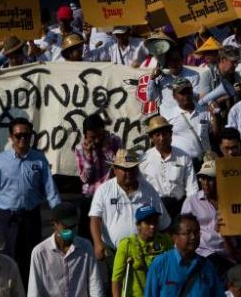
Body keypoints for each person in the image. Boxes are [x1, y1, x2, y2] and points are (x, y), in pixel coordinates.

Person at [0, 117, 61, 285]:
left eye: (26, 135)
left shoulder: (39, 159)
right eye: (18, 135)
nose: (23, 139)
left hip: (30, 218)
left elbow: (51, 191)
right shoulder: (0, 161)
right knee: (6, 260)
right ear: (11, 136)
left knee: (32, 260)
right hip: (7, 219)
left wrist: (60, 217)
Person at [89, 149, 170, 283]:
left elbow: (163, 222)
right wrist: (98, 243)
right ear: (114, 169)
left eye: (132, 168)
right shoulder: (104, 190)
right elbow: (95, 219)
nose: (129, 173)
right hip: (113, 251)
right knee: (115, 285)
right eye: (124, 169)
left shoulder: (148, 190)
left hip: (144, 251)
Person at [27, 202, 102, 296]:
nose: (71, 230)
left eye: (74, 226)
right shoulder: (40, 252)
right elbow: (34, 290)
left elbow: (95, 283)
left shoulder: (86, 247)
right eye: (67, 227)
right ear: (54, 225)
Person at [144, 214, 223, 297]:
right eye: (188, 233)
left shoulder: (207, 266)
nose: (193, 237)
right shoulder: (160, 264)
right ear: (174, 237)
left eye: (196, 232)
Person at [180, 157, 232, 274]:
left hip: (227, 255)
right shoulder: (192, 202)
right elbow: (182, 233)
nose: (206, 183)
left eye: (210, 179)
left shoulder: (231, 201)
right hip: (203, 254)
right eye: (202, 178)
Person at [74, 113, 121, 240]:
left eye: (100, 135)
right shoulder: (79, 148)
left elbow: (120, 167)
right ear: (85, 135)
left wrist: (106, 148)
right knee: (86, 236)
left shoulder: (115, 141)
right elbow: (84, 178)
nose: (97, 140)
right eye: (92, 137)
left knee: (110, 234)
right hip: (90, 197)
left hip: (110, 194)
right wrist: (89, 157)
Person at [139, 115, 197, 217]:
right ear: (152, 138)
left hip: (180, 207)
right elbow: (141, 189)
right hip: (155, 209)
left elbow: (192, 188)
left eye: (165, 134)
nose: (162, 138)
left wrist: (189, 210)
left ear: (171, 135)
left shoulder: (184, 157)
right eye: (157, 135)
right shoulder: (144, 160)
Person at [112, 205, 172, 297]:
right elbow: (117, 278)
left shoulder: (165, 240)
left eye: (155, 222)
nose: (152, 226)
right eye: (148, 223)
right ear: (138, 225)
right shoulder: (127, 244)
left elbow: (174, 267)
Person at [165, 77, 217, 162]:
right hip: (181, 163)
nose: (186, 96)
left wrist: (216, 117)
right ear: (174, 96)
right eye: (182, 93)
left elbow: (214, 136)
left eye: (188, 92)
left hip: (205, 162)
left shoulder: (205, 111)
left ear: (192, 92)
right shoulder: (168, 116)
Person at [146, 47, 201, 117]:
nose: (174, 63)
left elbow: (196, 97)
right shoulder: (160, 77)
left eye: (177, 60)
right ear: (167, 62)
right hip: (167, 118)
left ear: (182, 60)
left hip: (187, 116)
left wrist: (183, 88)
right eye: (171, 60)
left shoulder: (193, 75)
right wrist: (152, 78)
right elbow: (150, 98)